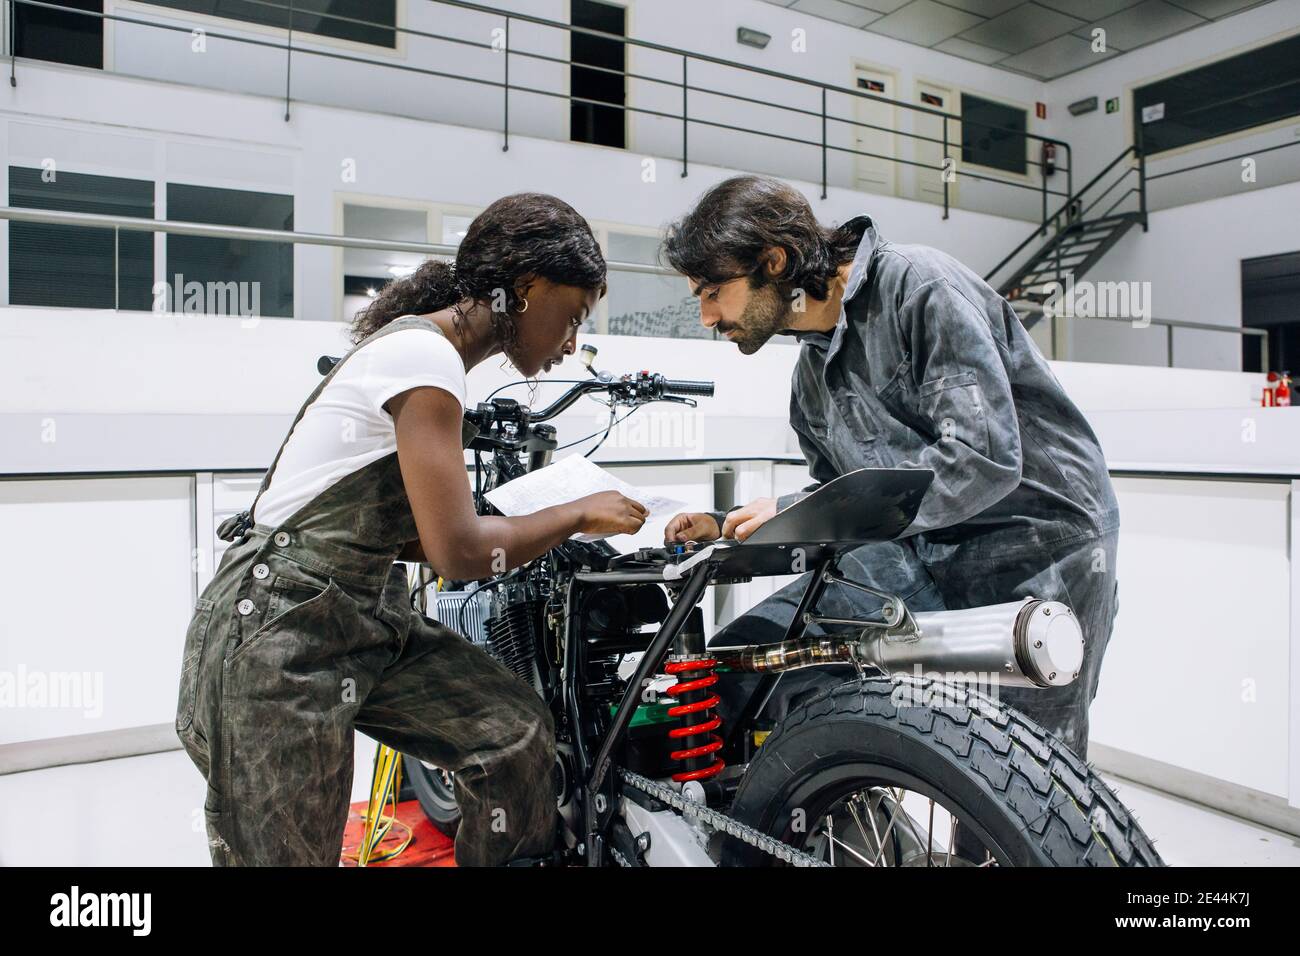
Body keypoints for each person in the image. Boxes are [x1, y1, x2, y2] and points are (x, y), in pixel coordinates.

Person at [175, 193, 648, 867]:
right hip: (277, 634)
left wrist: (521, 525)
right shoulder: (425, 359)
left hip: (362, 615)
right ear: (525, 288)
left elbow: (412, 541)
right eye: (571, 316)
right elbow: (456, 556)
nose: (573, 340)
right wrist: (575, 512)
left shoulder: (431, 360)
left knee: (512, 738)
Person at [660, 175, 1120, 770]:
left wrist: (814, 511)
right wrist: (743, 520)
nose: (705, 317)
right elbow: (844, 494)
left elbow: (982, 457)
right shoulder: (810, 380)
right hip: (921, 551)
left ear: (773, 262)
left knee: (1026, 777)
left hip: (1037, 544)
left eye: (713, 292)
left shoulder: (919, 288)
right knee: (740, 670)